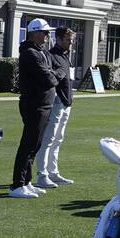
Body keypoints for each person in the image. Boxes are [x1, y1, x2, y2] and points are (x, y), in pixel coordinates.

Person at [9, 19, 57, 198]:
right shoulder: (30, 53)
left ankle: (26, 181)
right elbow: (49, 78)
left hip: (44, 104)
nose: (47, 35)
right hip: (34, 104)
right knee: (28, 145)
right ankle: (17, 185)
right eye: (44, 32)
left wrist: (54, 74)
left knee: (35, 145)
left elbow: (55, 71)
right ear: (34, 33)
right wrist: (55, 75)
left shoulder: (41, 52)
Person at [36, 27, 76, 189]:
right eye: (68, 40)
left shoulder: (65, 57)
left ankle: (53, 172)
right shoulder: (50, 55)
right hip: (56, 102)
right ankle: (42, 175)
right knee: (49, 138)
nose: (70, 43)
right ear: (58, 39)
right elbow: (50, 78)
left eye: (72, 40)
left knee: (58, 139)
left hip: (66, 103)